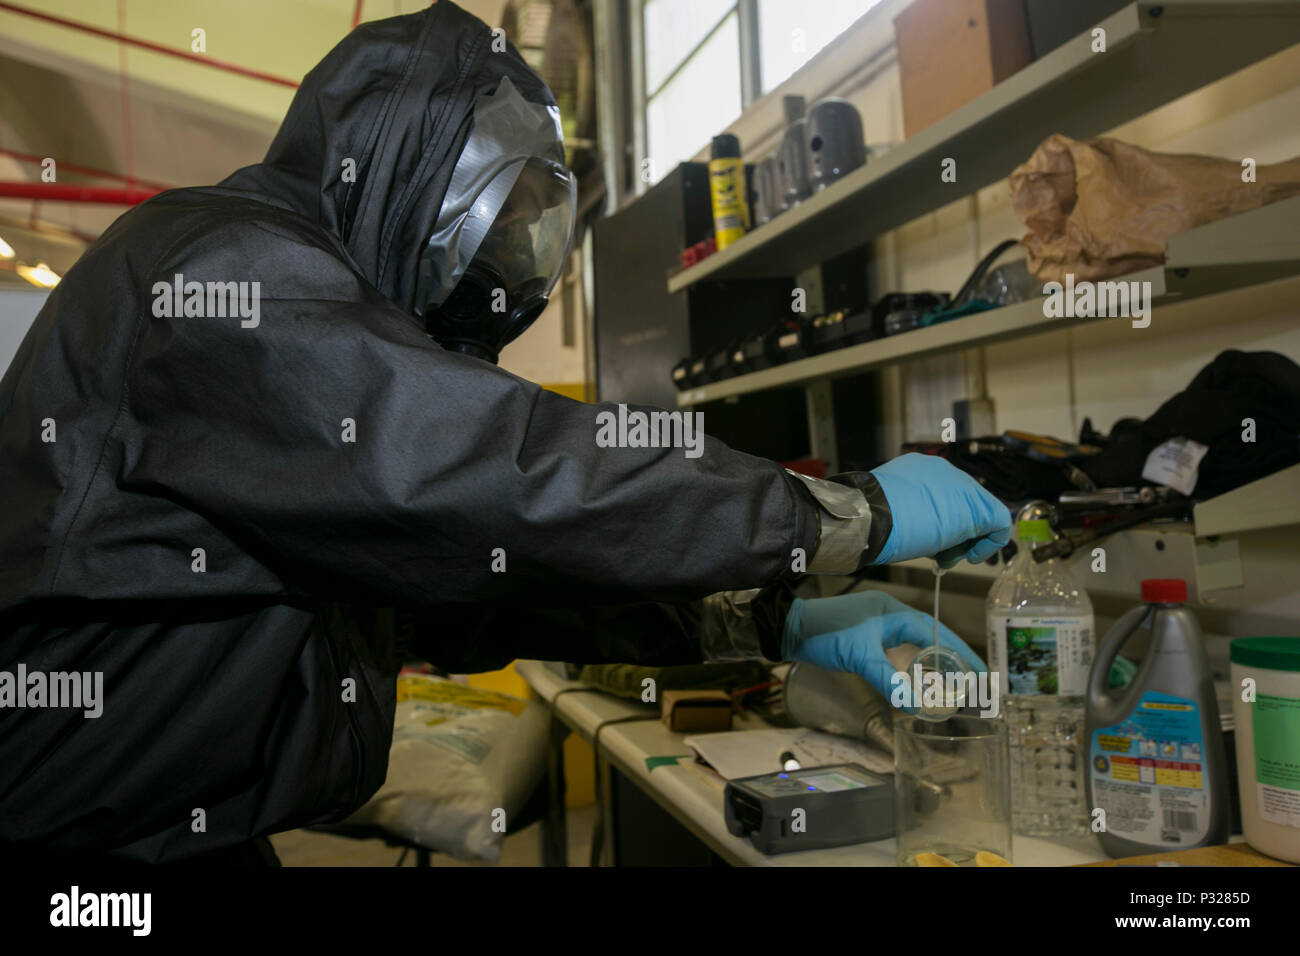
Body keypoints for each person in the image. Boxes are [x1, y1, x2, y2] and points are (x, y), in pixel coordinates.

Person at [0, 1, 1008, 864]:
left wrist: (753, 616)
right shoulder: (221, 267)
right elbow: (492, 466)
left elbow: (466, 588)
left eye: (536, 224)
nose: (506, 268)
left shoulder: (302, 365)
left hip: (177, 830)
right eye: (504, 214)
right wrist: (844, 513)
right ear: (408, 157)